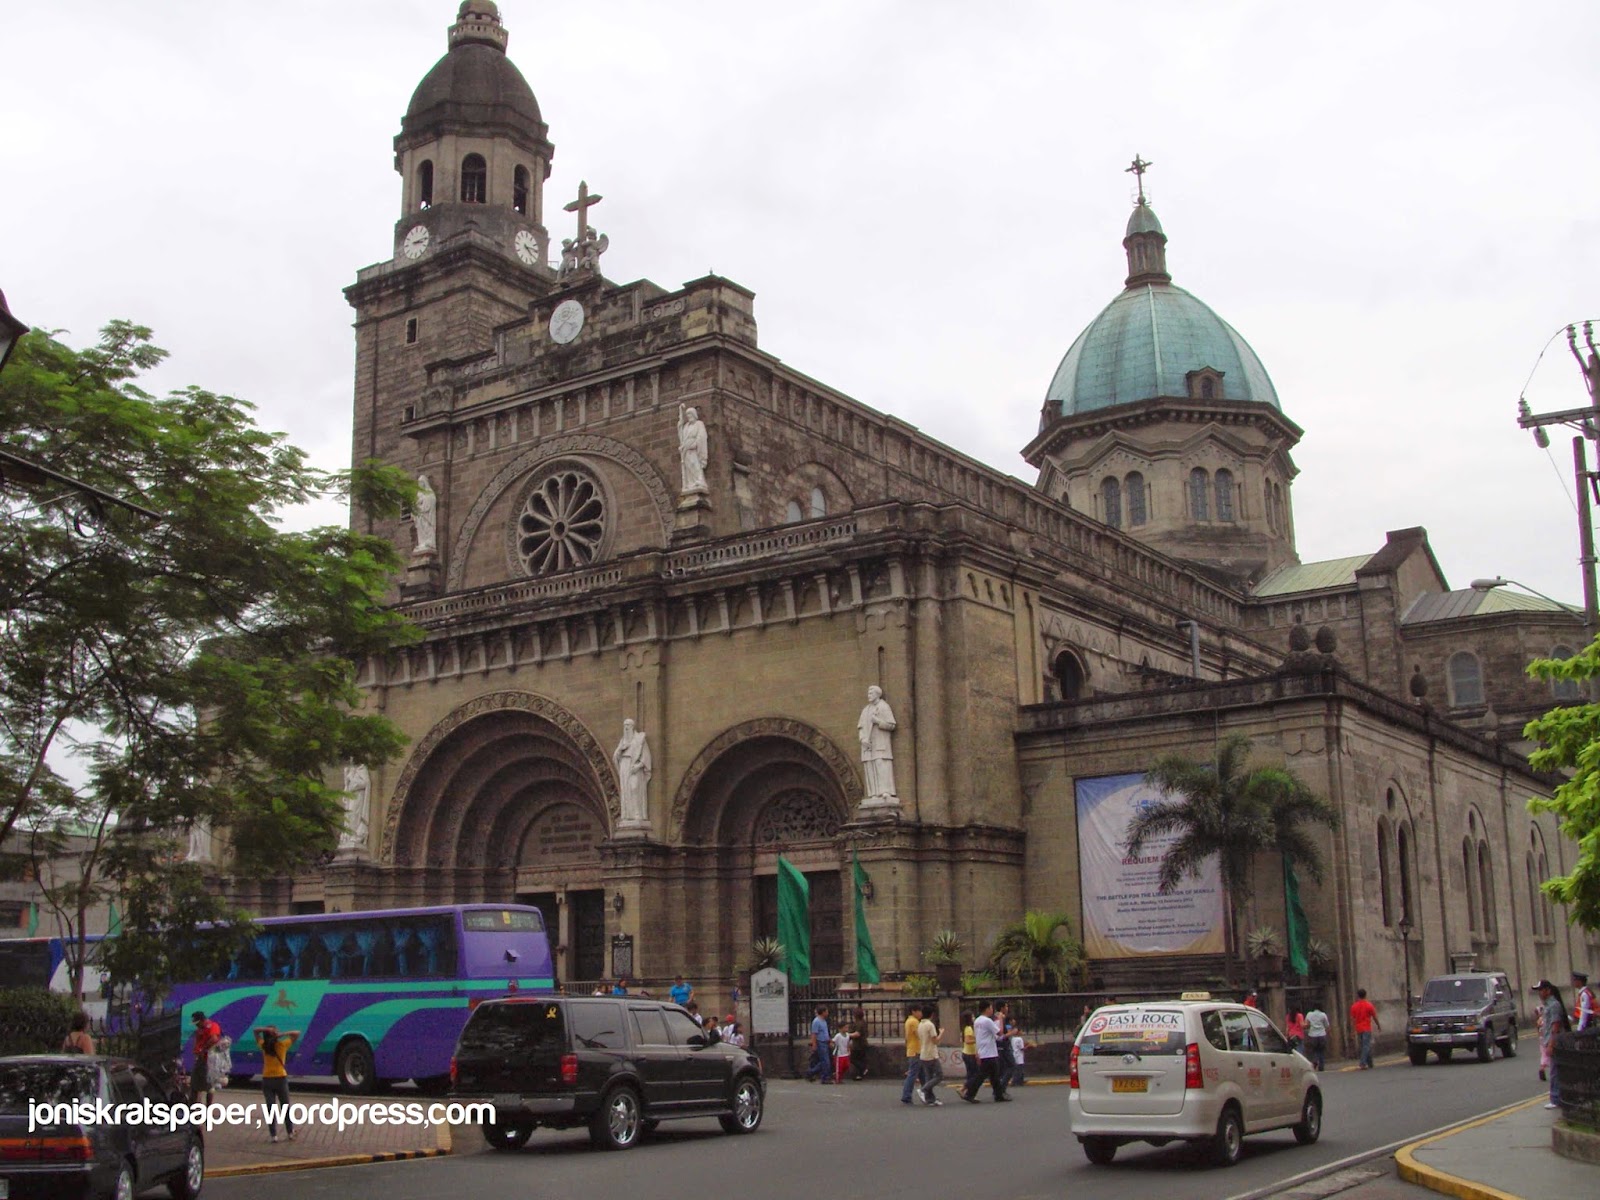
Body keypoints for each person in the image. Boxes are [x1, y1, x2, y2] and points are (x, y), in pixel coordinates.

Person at [255, 1025, 301, 1142]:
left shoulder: (264, 1047)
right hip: (281, 1079)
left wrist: (266, 1030)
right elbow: (297, 1033)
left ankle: (273, 1135)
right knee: (285, 1106)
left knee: (271, 1108)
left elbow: (255, 1032)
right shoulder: (282, 1045)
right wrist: (281, 1034)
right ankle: (290, 1132)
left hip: (267, 1080)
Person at [961, 1001, 1009, 1102]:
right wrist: (1000, 1019)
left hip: (984, 1051)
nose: (992, 1010)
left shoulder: (977, 1021)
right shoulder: (987, 1021)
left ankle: (998, 1095)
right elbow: (999, 1032)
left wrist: (977, 1051)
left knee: (994, 1075)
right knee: (982, 1075)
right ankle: (969, 1093)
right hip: (989, 1052)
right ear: (987, 1009)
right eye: (991, 1008)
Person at [1534, 980, 1569, 1109]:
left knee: (1555, 1071)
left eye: (1541, 990)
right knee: (1556, 1070)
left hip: (1554, 1041)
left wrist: (1551, 1044)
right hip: (1549, 1040)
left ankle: (1555, 1098)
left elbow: (1555, 1026)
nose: (1539, 993)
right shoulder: (1547, 1005)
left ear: (1548, 990)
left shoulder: (1554, 1005)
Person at [191, 1011, 223, 1104]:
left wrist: (203, 1049)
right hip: (199, 1059)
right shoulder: (200, 1029)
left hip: (209, 1061)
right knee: (194, 1085)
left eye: (197, 1023)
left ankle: (208, 1107)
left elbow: (214, 1039)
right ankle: (193, 1107)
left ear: (202, 1020)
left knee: (209, 1086)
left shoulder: (213, 1026)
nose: (196, 1026)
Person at [916, 1007, 943, 1105]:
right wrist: (941, 1033)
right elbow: (935, 1040)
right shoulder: (930, 1025)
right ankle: (923, 1090)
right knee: (939, 1075)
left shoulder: (920, 1024)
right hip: (931, 1053)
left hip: (923, 1053)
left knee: (929, 1077)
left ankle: (930, 1099)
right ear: (932, 1014)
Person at [1349, 988, 1379, 1069]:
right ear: (1365, 995)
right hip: (1366, 1028)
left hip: (1359, 1028)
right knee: (1366, 1046)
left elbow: (1352, 1020)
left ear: (1358, 996)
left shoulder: (1354, 1006)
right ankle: (1363, 1063)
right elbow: (1374, 1016)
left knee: (1364, 1045)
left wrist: (1352, 1031)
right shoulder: (1369, 1005)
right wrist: (1378, 1025)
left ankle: (1370, 1063)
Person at [901, 1003, 923, 1104]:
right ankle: (906, 1095)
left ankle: (927, 1093)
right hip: (916, 1050)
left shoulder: (909, 1021)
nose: (921, 1013)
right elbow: (919, 1035)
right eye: (919, 1011)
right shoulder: (914, 1022)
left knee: (921, 1074)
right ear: (914, 1011)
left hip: (912, 1049)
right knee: (913, 1074)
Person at [805, 1004, 833, 1083]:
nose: (827, 1012)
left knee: (825, 1061)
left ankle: (811, 1072)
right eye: (826, 1011)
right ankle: (825, 1077)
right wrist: (814, 1044)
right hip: (820, 1042)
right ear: (823, 1012)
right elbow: (814, 1034)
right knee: (825, 1061)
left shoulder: (823, 1021)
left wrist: (829, 1040)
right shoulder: (816, 1021)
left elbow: (825, 1032)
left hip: (825, 1042)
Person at [1304, 1002, 1330, 1071]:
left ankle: (1315, 1061)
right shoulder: (1323, 1015)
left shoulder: (1309, 1014)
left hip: (1312, 1035)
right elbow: (1327, 1025)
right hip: (1322, 1035)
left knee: (1313, 1050)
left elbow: (1307, 1024)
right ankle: (1321, 1066)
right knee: (1321, 1051)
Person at [960, 1010, 979, 1094]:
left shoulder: (968, 1028)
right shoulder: (968, 1028)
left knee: (971, 1074)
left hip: (968, 1053)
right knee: (975, 1075)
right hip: (969, 1054)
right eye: (972, 1016)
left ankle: (969, 1092)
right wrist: (977, 1039)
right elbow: (967, 1040)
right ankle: (963, 1088)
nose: (974, 1018)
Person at [848, 1008, 870, 1079]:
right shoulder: (863, 1022)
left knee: (853, 1059)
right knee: (861, 1059)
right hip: (862, 1043)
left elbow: (857, 1034)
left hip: (858, 1045)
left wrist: (848, 1035)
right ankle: (860, 1074)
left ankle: (863, 1069)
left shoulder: (859, 1023)